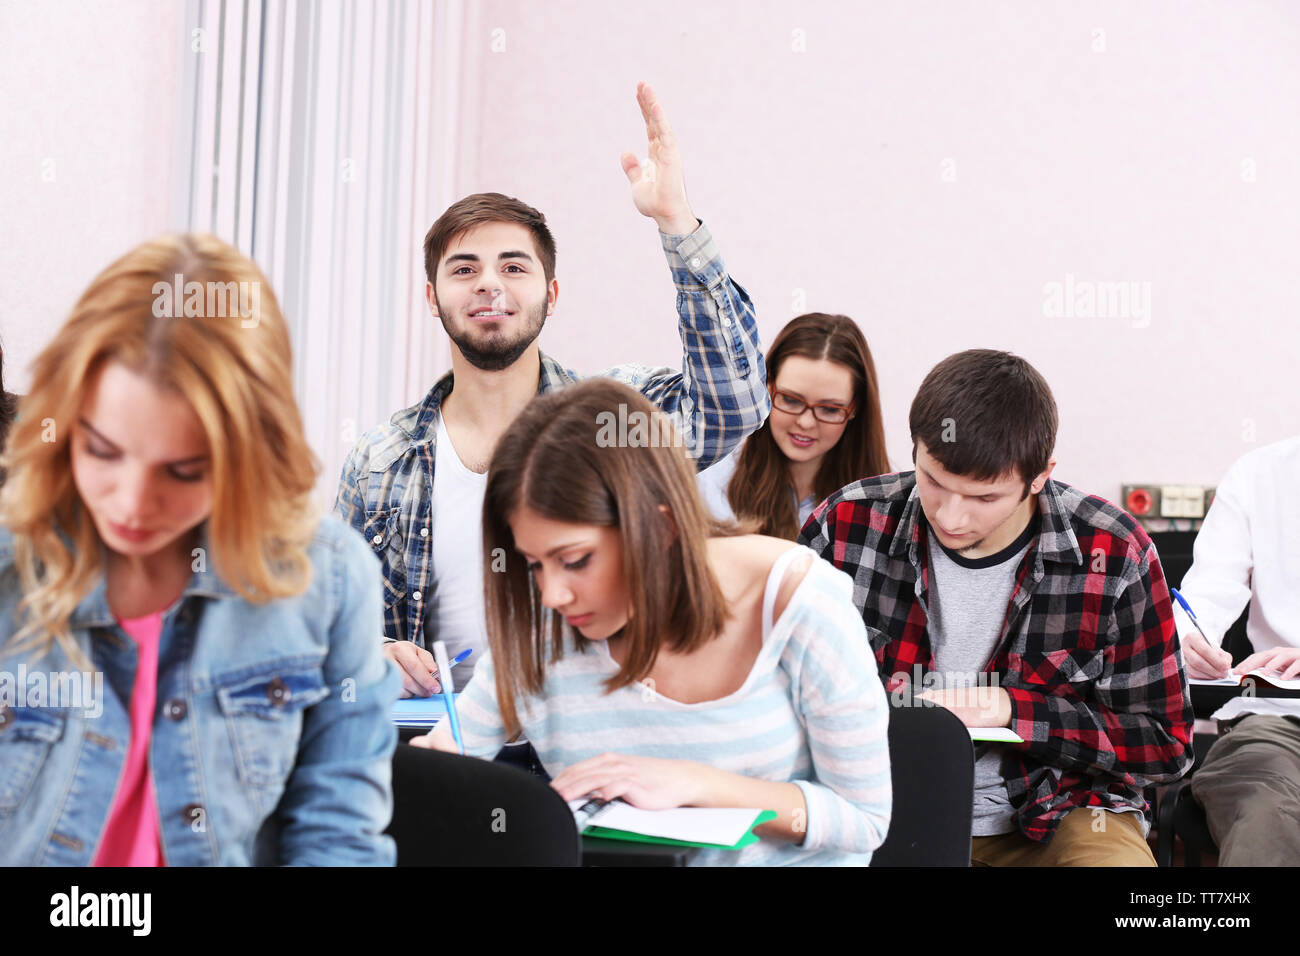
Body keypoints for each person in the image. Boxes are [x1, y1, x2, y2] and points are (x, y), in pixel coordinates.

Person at [334, 82, 769, 701]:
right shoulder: (378, 461)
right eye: (464, 269)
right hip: (443, 750)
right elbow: (335, 633)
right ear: (432, 298)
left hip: (593, 745)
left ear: (551, 295)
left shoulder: (607, 419)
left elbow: (738, 403)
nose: (489, 285)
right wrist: (368, 656)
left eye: (514, 267)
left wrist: (677, 223)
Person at [0, 234, 399, 866]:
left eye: (184, 471)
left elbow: (338, 837)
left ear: (251, 457)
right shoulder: (10, 564)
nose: (131, 504)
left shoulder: (329, 579)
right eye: (102, 451)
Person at [412, 380, 891, 866]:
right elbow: (443, 763)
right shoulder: (545, 625)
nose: (553, 594)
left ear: (660, 529)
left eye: (575, 560)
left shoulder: (798, 603)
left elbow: (862, 819)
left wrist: (697, 783)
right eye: (535, 564)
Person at [799, 349, 1193, 866]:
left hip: (1065, 810)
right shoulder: (846, 524)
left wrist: (1014, 710)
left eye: (984, 497)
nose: (951, 515)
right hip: (880, 800)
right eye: (934, 481)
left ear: (1040, 475)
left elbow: (1165, 746)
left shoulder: (1114, 551)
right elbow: (775, 691)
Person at [1172, 436, 1300, 865]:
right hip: (1278, 724)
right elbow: (1206, 592)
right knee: (1265, 812)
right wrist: (1185, 640)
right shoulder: (1259, 475)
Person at [697, 313, 889, 539]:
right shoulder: (712, 481)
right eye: (790, 400)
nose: (805, 422)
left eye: (829, 409)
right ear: (767, 389)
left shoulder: (883, 502)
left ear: (855, 407)